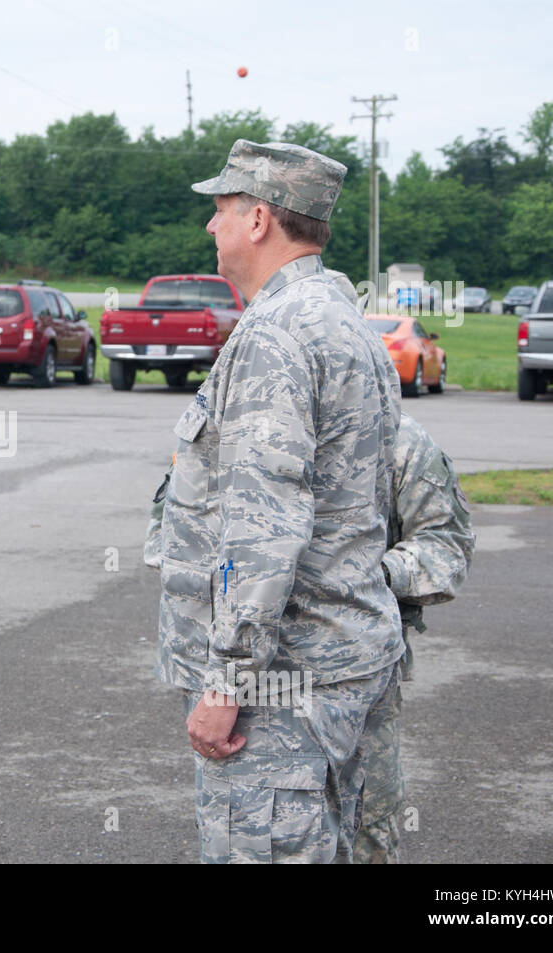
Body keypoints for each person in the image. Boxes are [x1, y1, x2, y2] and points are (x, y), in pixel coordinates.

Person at [157, 140, 406, 863]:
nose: (212, 227)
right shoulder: (344, 322)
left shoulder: (275, 334)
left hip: (282, 684)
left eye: (221, 210)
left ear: (259, 218)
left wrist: (226, 680)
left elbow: (264, 529)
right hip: (346, 659)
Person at [355, 412, 474, 862]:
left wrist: (370, 576)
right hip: (245, 687)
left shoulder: (394, 437)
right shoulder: (227, 428)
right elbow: (169, 541)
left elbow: (446, 546)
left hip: (362, 682)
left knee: (365, 826)